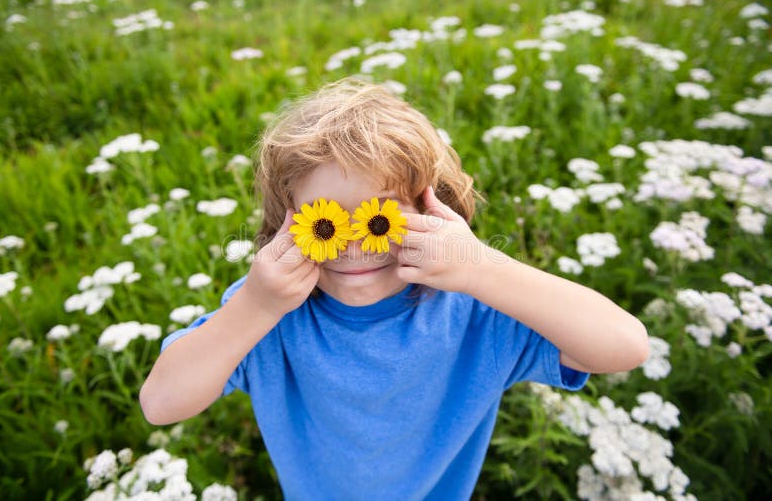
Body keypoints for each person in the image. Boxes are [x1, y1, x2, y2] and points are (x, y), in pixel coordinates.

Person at [139, 78, 649, 499]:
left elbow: (625, 346)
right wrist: (253, 304)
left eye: (379, 219)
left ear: (436, 214)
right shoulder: (272, 314)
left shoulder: (475, 310)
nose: (354, 246)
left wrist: (480, 266)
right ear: (285, 229)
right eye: (326, 224)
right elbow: (161, 404)